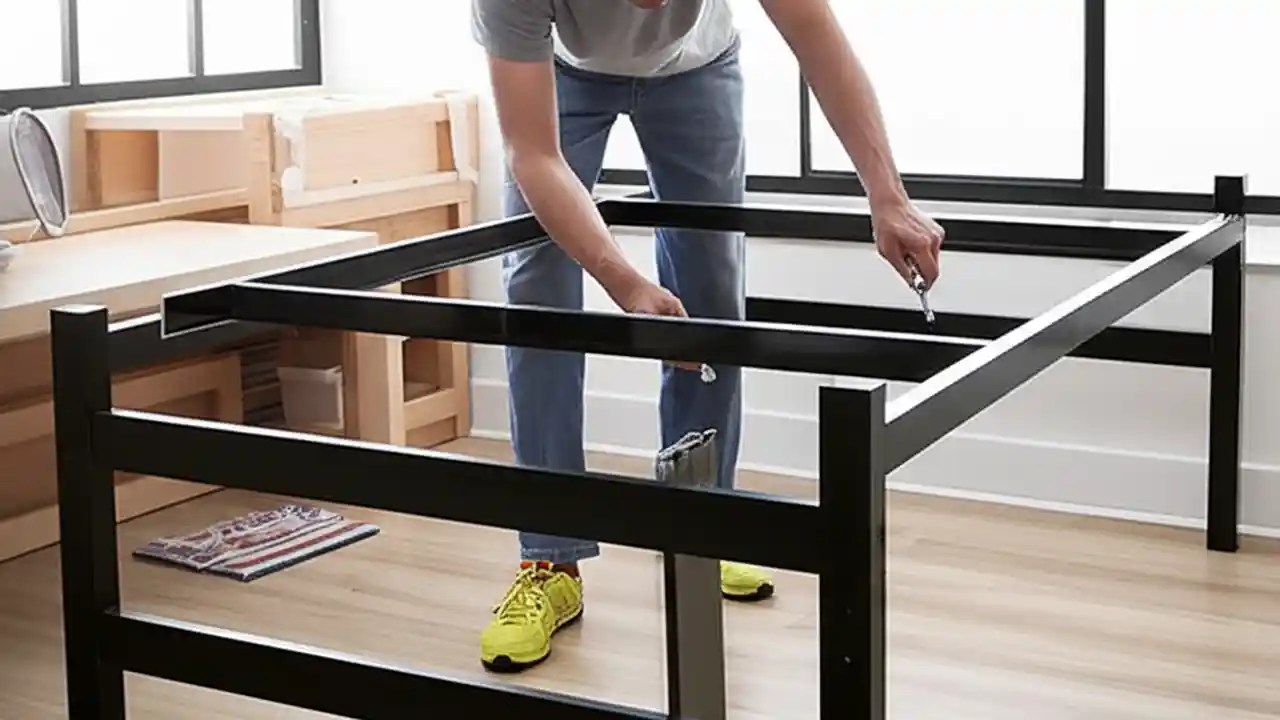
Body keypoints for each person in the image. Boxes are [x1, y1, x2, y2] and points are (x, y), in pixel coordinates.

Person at [470, 0, 945, 673]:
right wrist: (625, 282)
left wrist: (887, 195)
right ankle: (549, 557)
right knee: (537, 287)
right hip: (561, 72)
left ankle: (702, 524)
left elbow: (818, 39)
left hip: (697, 71)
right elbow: (534, 154)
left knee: (713, 289)